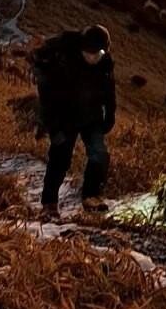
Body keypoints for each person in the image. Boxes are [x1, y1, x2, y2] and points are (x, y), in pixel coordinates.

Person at [32, 23, 116, 214]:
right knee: (60, 158)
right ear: (81, 49)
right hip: (64, 117)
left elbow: (109, 89)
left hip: (91, 115)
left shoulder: (104, 60)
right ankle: (49, 204)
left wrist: (110, 114)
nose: (94, 58)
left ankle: (91, 197)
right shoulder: (61, 61)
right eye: (90, 53)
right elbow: (47, 99)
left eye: (99, 54)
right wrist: (53, 128)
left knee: (99, 154)